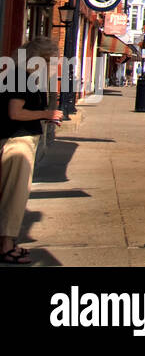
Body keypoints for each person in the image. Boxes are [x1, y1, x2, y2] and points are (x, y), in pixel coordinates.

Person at [2, 37, 64, 264]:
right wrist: (45, 114)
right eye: (53, 60)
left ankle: (8, 243)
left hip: (22, 139)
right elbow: (15, 112)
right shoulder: (21, 77)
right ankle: (6, 246)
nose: (55, 65)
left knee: (15, 195)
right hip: (18, 142)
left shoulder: (23, 76)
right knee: (14, 197)